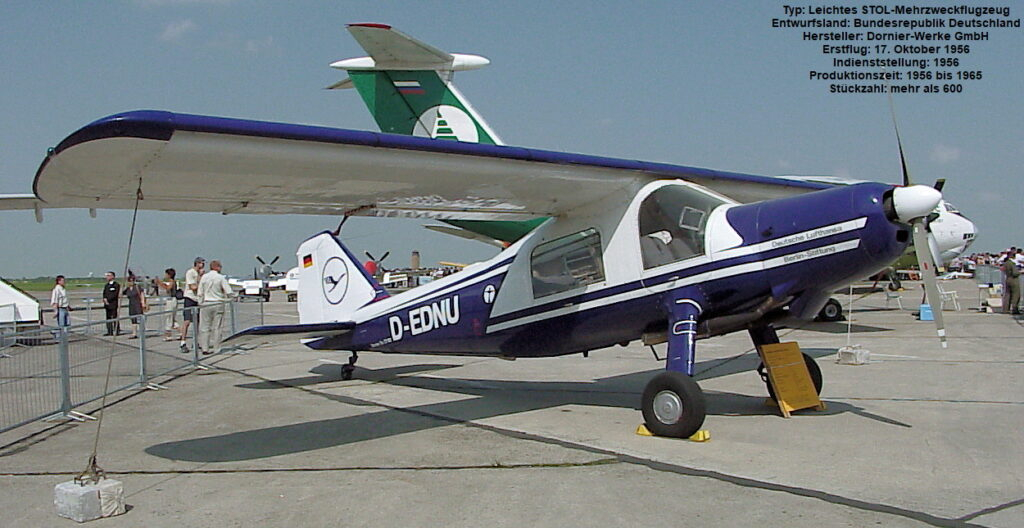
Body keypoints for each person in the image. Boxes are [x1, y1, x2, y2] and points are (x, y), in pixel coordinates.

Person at [197, 260, 234, 355]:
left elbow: (200, 292)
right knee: (217, 327)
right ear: (217, 267)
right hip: (218, 303)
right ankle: (216, 348)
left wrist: (200, 302)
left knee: (204, 327)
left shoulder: (204, 277)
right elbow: (229, 291)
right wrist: (230, 298)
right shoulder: (220, 277)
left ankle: (205, 348)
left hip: (206, 303)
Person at [179, 257, 205, 353]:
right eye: (201, 263)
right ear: (197, 263)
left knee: (197, 322)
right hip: (189, 298)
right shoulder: (190, 273)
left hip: (197, 299)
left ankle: (196, 341)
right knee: (187, 321)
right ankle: (183, 342)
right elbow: (193, 287)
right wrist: (199, 277)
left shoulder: (201, 275)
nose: (202, 265)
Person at [158, 268, 180, 341]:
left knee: (169, 317)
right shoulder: (172, 281)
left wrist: (160, 283)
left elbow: (168, 288)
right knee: (172, 319)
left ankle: (168, 335)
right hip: (171, 300)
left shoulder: (171, 281)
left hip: (171, 300)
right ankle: (180, 332)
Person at [124, 272, 148, 339]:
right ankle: (134, 333)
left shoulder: (137, 287)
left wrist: (143, 303)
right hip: (131, 305)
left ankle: (142, 332)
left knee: (140, 318)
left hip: (138, 304)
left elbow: (142, 294)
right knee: (133, 319)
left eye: (132, 281)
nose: (130, 282)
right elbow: (121, 294)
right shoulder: (128, 289)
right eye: (129, 281)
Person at [102, 271, 120, 335]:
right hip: (107, 305)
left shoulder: (116, 285)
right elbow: (104, 293)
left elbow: (115, 294)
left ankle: (117, 330)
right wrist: (105, 299)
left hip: (113, 304)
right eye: (107, 275)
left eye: (108, 275)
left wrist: (108, 300)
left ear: (113, 276)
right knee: (108, 318)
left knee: (114, 317)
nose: (107, 277)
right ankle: (109, 331)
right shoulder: (106, 285)